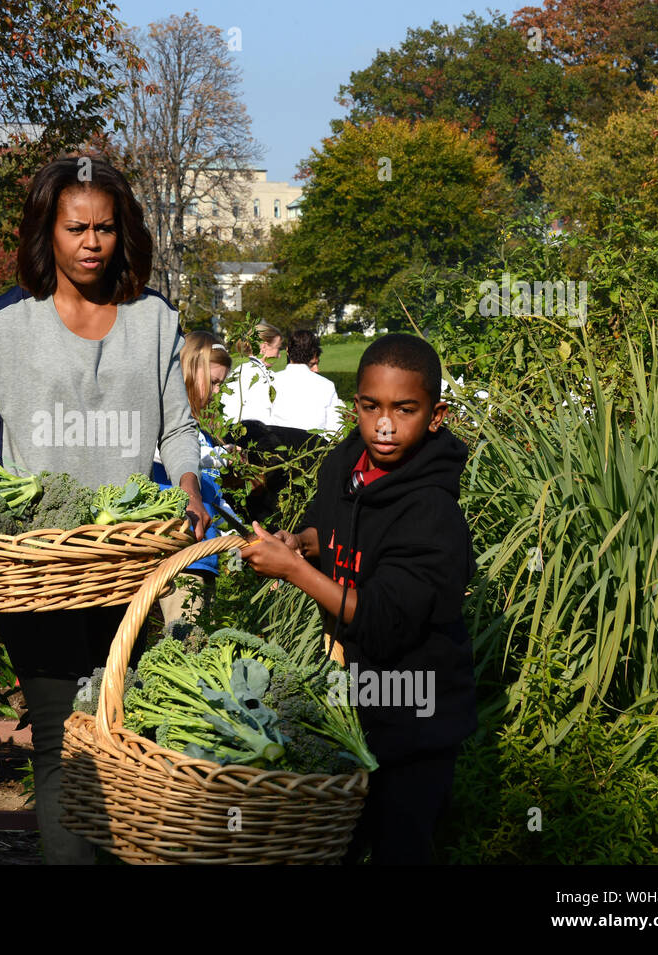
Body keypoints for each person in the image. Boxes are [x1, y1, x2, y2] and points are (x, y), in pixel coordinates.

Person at [0, 154, 208, 864]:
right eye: (77, 227)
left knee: (116, 723)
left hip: (130, 559)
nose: (92, 243)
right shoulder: (6, 329)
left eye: (106, 228)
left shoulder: (154, 320)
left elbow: (175, 427)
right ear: (46, 230)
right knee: (59, 732)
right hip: (36, 572)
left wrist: (190, 482)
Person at [241, 333, 477, 865]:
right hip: (352, 699)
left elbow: (379, 620)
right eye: (371, 407)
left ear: (435, 414)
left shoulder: (432, 512)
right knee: (336, 846)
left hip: (416, 712)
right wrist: (300, 542)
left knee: (400, 845)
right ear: (355, 407)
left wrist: (295, 571)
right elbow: (341, 535)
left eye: (405, 409)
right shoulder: (347, 464)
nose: (385, 424)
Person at [154, 331, 236, 624]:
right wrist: (215, 456)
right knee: (181, 648)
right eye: (213, 382)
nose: (216, 391)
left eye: (221, 384)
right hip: (178, 556)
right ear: (188, 372)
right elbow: (163, 455)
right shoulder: (165, 429)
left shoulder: (207, 436)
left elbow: (217, 500)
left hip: (204, 559)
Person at [270, 328, 344, 437]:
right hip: (315, 449)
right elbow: (336, 430)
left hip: (277, 448)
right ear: (312, 353)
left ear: (287, 351)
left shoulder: (271, 381)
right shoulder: (326, 386)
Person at [221, 321, 282, 426]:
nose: (279, 355)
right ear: (264, 347)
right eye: (278, 348)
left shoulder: (238, 372)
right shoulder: (262, 377)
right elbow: (266, 419)